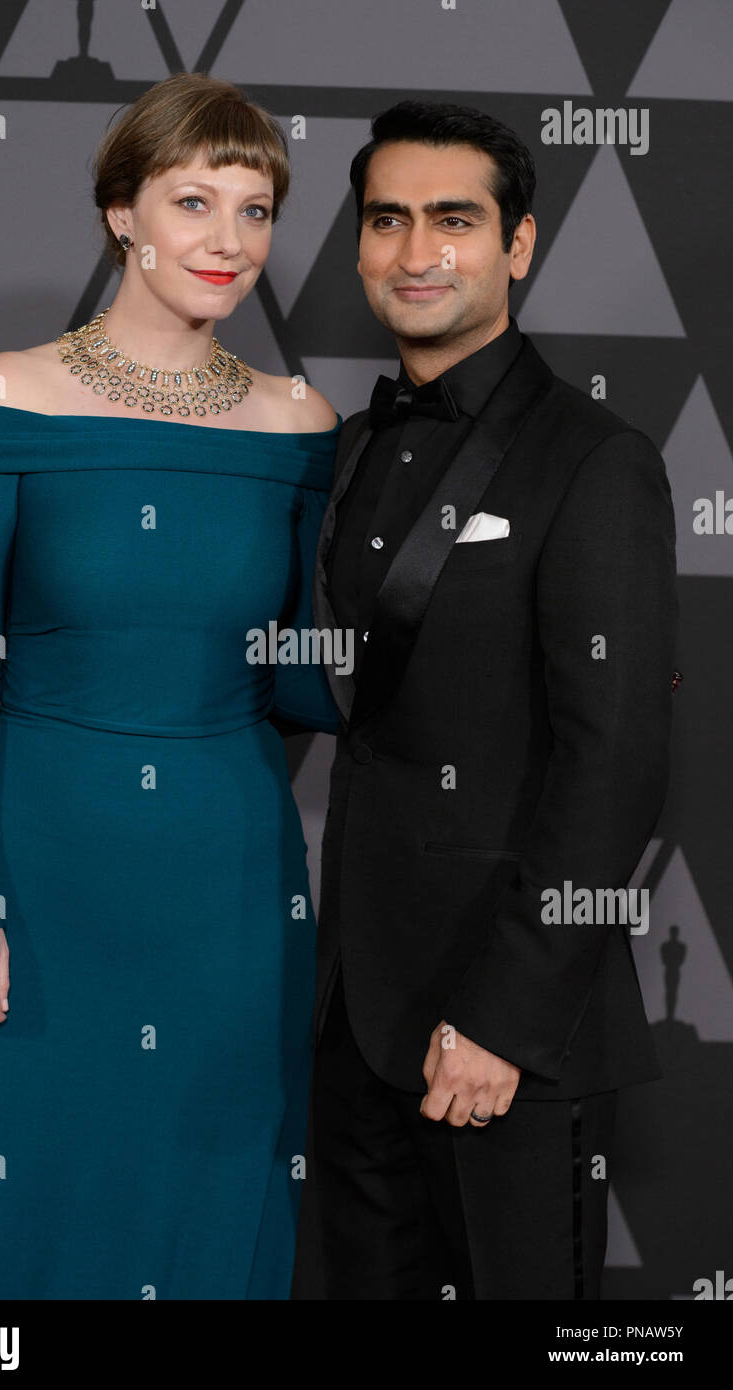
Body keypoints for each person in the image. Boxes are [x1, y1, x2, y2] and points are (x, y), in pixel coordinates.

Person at [0, 71, 341, 1300]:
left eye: (256, 210)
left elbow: (301, 674)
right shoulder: (7, 394)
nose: (228, 242)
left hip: (228, 880)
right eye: (195, 202)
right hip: (36, 866)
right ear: (120, 213)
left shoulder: (298, 424)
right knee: (4, 1193)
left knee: (203, 1184)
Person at [294, 100, 678, 1301]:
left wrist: (502, 1017)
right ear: (358, 245)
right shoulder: (352, 445)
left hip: (510, 1028)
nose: (416, 253)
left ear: (516, 245)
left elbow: (613, 760)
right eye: (388, 220)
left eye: (453, 221)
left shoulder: (594, 457)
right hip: (356, 1019)